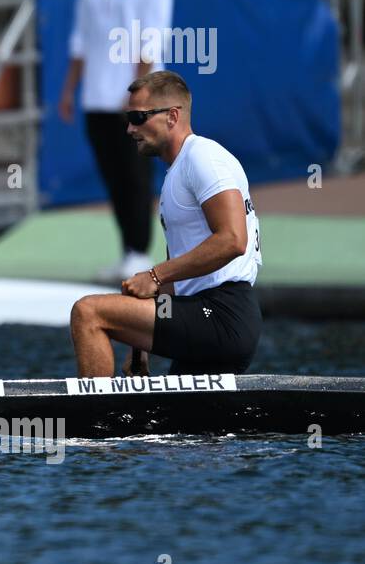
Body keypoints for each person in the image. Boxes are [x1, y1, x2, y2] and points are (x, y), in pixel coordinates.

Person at [69, 71, 262, 377]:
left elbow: (233, 240)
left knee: (88, 312)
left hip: (222, 314)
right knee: (177, 423)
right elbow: (179, 277)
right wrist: (139, 346)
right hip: (195, 312)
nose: (130, 128)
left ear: (172, 116)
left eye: (138, 117)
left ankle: (94, 419)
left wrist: (154, 275)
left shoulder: (204, 158)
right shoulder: (177, 171)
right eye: (128, 118)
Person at [59, 0, 174, 281]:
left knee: (134, 175)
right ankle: (126, 249)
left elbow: (150, 39)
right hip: (96, 96)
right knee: (111, 176)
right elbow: (80, 39)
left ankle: (140, 252)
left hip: (135, 99)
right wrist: (68, 90)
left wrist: (137, 92)